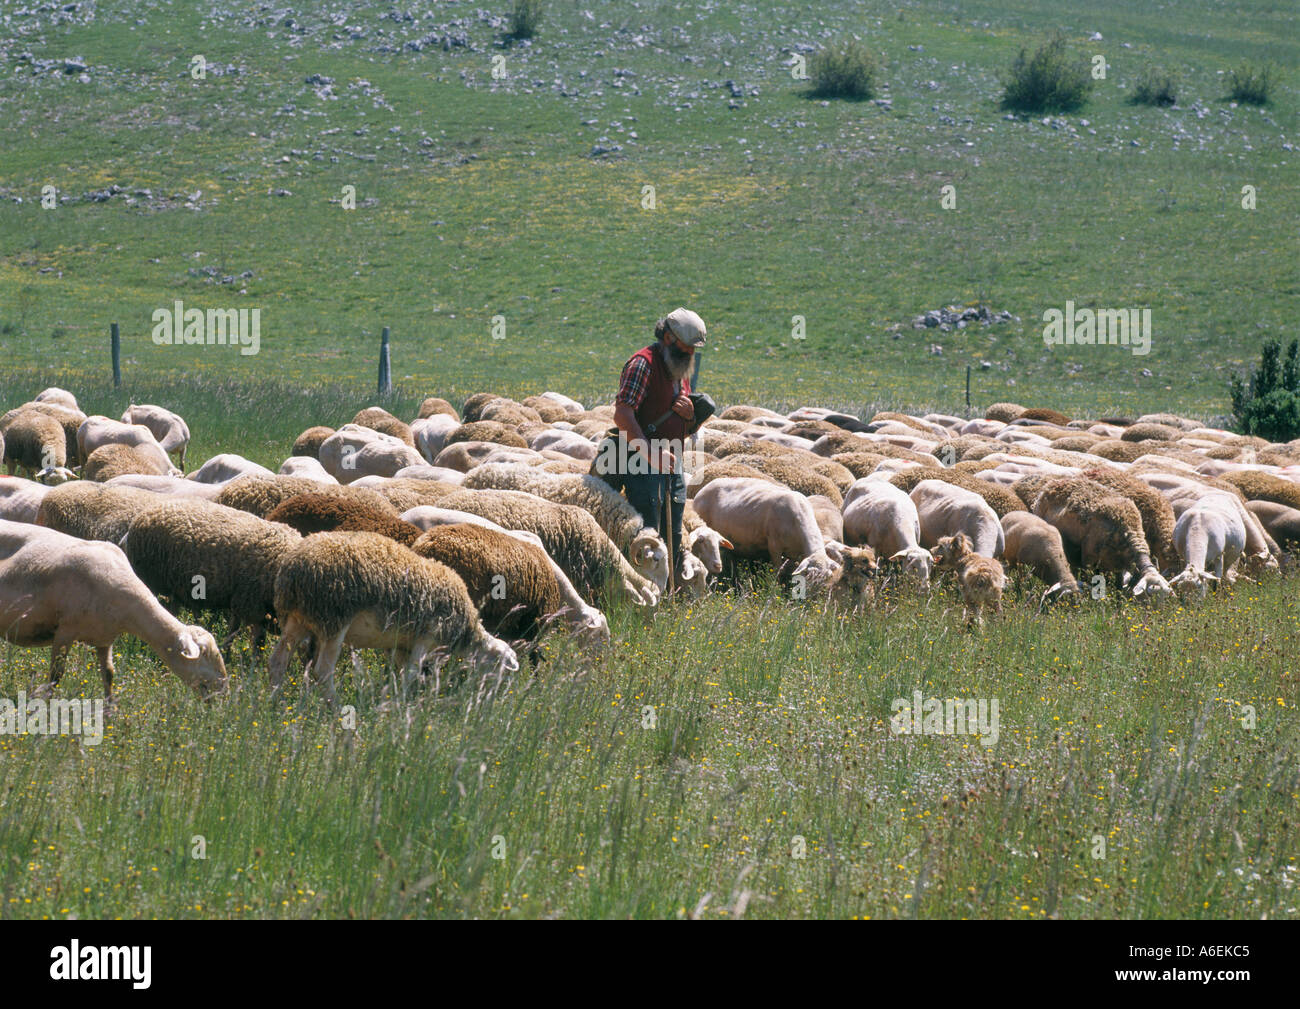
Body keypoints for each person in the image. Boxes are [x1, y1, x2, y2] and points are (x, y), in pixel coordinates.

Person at [612, 308, 707, 584]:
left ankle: (668, 596)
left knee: (674, 533)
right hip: (641, 462)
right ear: (667, 337)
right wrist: (650, 453)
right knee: (648, 536)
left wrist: (690, 416)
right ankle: (641, 594)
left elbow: (683, 422)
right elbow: (623, 414)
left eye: (694, 348)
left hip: (672, 462)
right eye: (685, 346)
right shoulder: (642, 364)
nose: (690, 353)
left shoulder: (681, 369)